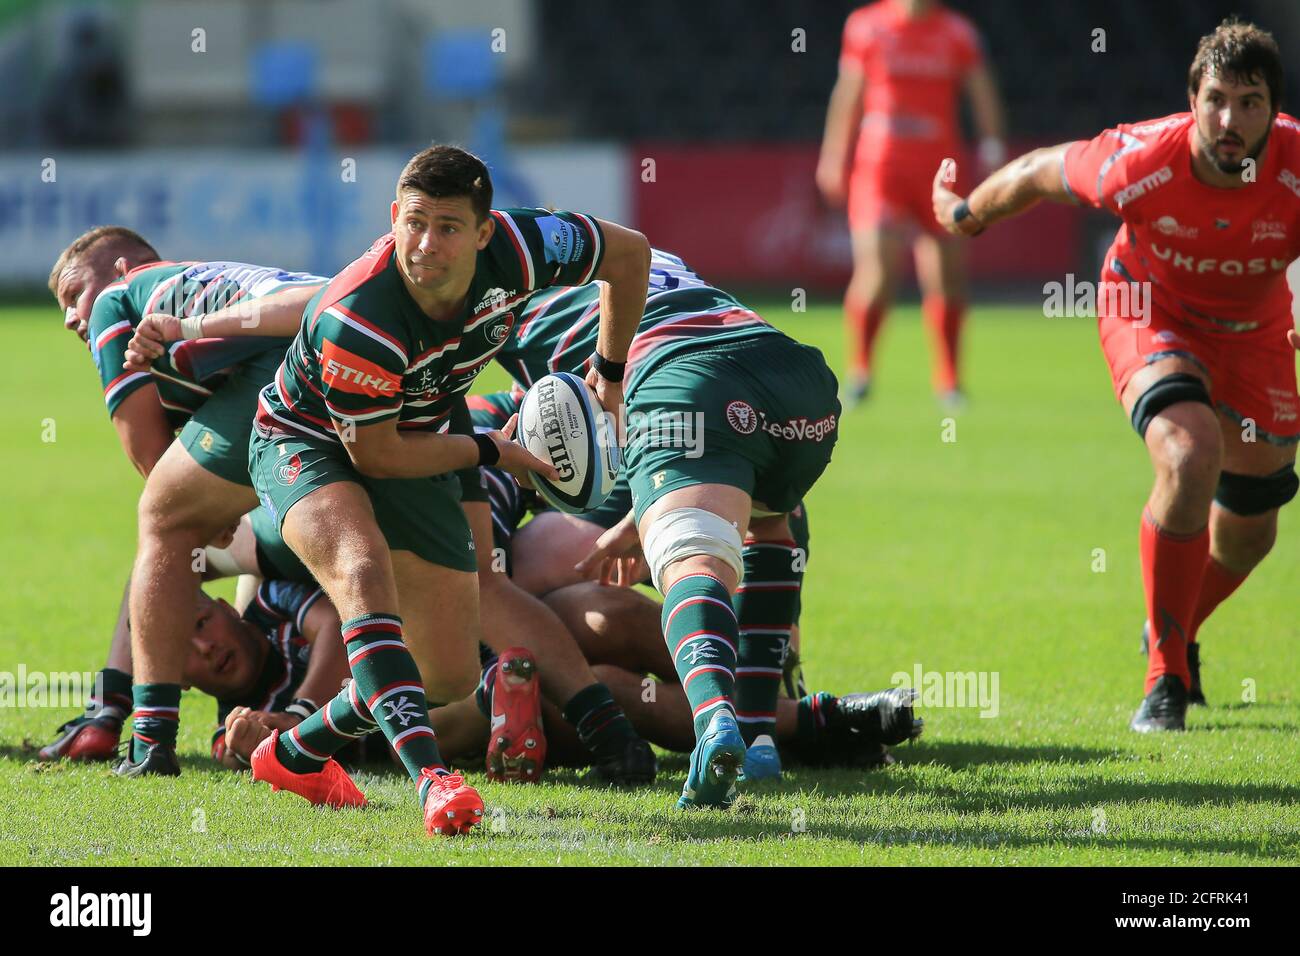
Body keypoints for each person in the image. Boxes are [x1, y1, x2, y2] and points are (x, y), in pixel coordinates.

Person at [238, 143, 650, 836]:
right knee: (362, 571)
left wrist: (609, 375)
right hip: (308, 442)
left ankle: (295, 752)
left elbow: (629, 254)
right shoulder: (359, 318)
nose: (426, 245)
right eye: (415, 222)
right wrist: (494, 449)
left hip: (423, 428)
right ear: (394, 216)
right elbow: (375, 454)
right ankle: (434, 781)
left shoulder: (525, 248)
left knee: (449, 678)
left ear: (485, 232)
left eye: (449, 227)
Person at [930, 18, 1299, 731]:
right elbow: (1041, 169)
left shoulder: (1295, 163)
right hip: (1148, 307)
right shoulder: (1140, 159)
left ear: (1273, 111)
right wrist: (969, 215)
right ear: (1192, 99)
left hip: (1256, 332)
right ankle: (1166, 677)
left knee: (1253, 532)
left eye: (1249, 103)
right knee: (1190, 455)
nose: (1230, 120)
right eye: (1216, 99)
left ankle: (1174, 624)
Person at [46, 226, 326, 760]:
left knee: (163, 520)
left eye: (73, 294)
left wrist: (205, 511)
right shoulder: (212, 288)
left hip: (298, 376)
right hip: (374, 362)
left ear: (123, 271)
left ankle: (142, 736)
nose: (69, 318)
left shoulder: (120, 302)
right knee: (456, 639)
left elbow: (150, 456)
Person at [817, 0, 1005, 407]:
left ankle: (949, 381)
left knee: (946, 276)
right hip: (879, 168)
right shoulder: (865, 26)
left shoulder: (957, 32)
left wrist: (992, 148)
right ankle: (860, 371)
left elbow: (981, 90)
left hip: (940, 169)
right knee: (878, 273)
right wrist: (834, 156)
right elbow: (849, 92)